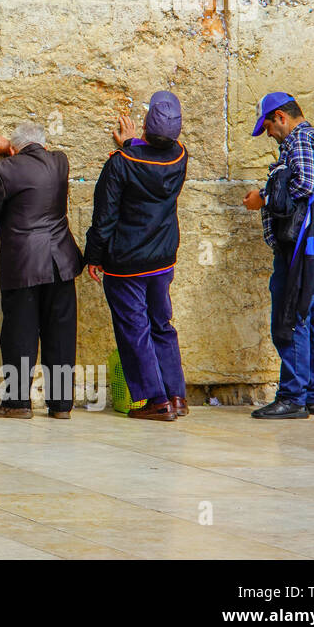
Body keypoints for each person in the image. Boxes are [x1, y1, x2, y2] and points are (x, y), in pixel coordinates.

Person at [83, 92, 189, 422]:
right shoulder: (179, 157)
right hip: (163, 259)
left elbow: (104, 218)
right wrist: (133, 145)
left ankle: (155, 401)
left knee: (135, 330)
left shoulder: (121, 163)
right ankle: (176, 395)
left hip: (126, 261)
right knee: (161, 325)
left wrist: (93, 256)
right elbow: (153, 163)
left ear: (144, 125)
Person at [0, 123, 82, 420]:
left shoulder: (3, 171)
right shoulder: (60, 162)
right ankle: (61, 406)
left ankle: (17, 403)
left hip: (25, 266)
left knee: (20, 335)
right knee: (60, 335)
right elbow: (35, 157)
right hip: (60, 263)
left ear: (14, 149)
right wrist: (11, 146)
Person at [242, 93, 314, 420]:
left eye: (269, 127)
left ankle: (292, 397)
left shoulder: (298, 139)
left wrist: (264, 198)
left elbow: (304, 184)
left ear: (281, 117)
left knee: (292, 313)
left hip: (303, 246)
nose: (269, 134)